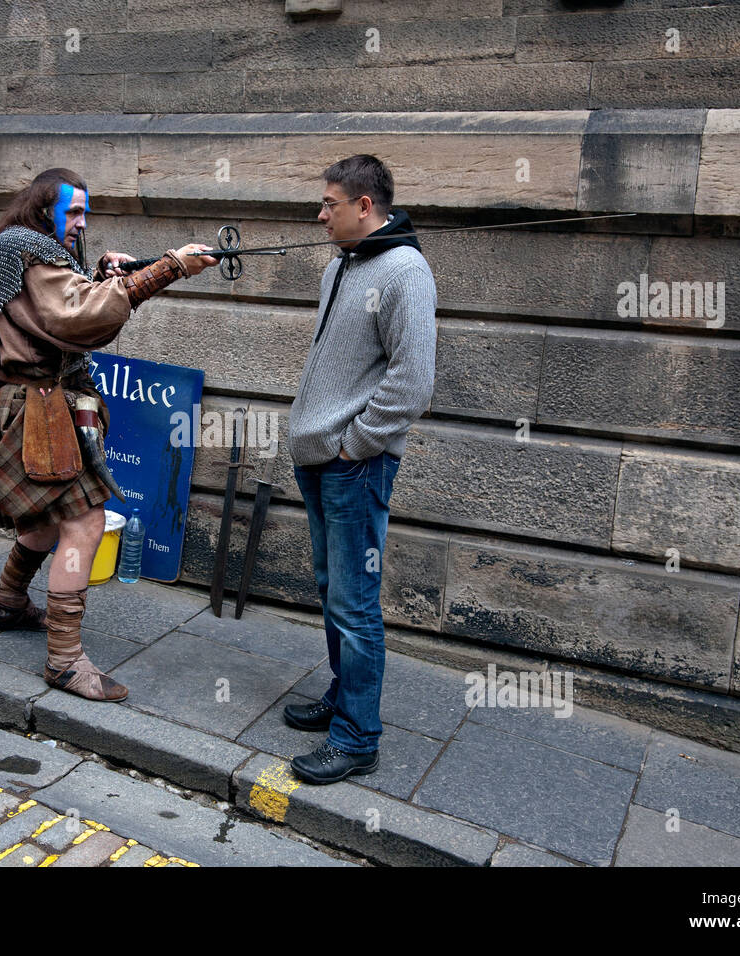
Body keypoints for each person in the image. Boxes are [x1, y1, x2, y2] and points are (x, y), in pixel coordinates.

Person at [0, 167, 216, 701]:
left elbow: (62, 303)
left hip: (39, 405)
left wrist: (101, 272)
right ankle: (64, 662)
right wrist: (167, 268)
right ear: (41, 207)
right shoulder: (24, 249)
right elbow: (76, 317)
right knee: (85, 520)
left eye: (84, 214)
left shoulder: (29, 250)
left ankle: (8, 603)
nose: (79, 223)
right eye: (72, 212)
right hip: (39, 407)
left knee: (49, 516)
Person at [283, 155, 437, 784]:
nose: (320, 214)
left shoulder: (405, 271)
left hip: (354, 466)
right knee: (331, 589)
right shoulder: (340, 267)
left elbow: (413, 379)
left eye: (330, 203)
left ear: (364, 207)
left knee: (355, 604)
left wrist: (357, 443)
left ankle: (357, 738)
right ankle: (344, 700)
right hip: (318, 458)